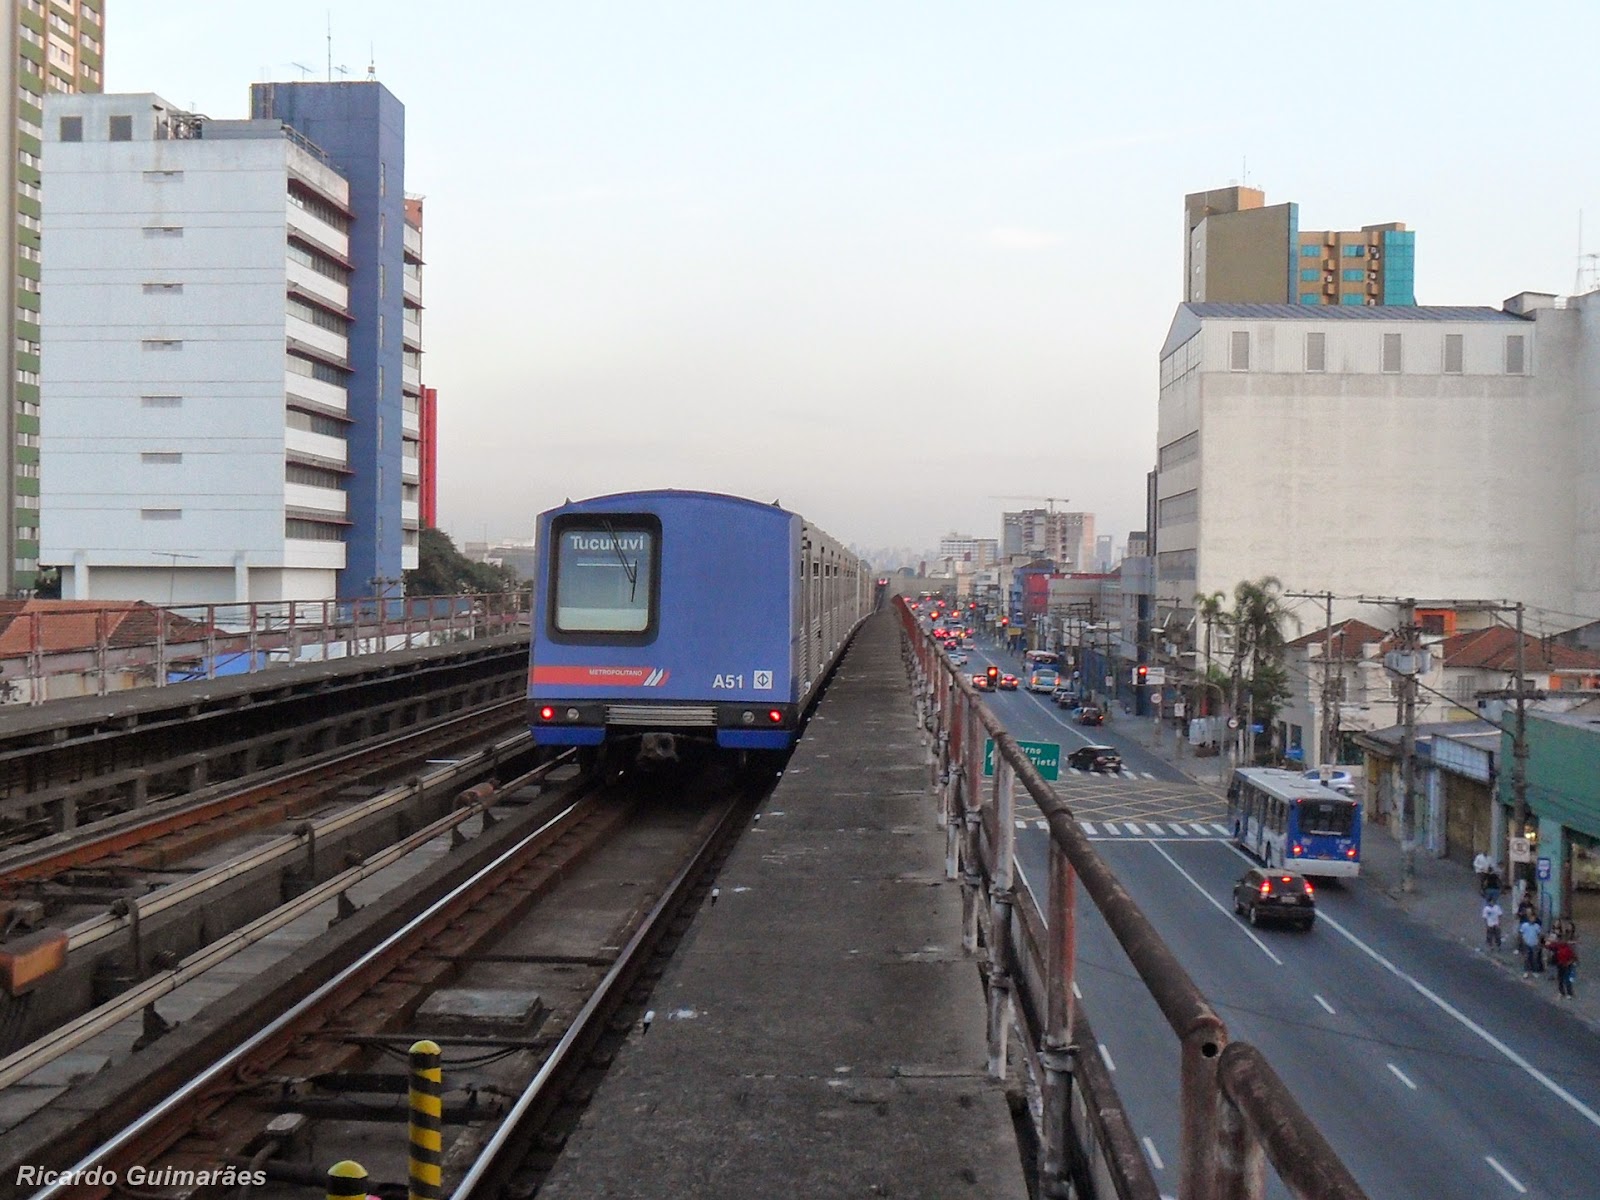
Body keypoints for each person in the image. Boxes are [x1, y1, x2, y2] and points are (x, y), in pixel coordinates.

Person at [1549, 927, 1578, 999]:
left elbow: (1573, 957)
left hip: (1567, 965)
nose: (1562, 941)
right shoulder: (1557, 947)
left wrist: (1569, 963)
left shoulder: (1568, 949)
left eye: (1563, 940)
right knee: (1560, 979)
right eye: (1561, 940)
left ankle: (1569, 993)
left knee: (1567, 979)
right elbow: (1549, 947)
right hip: (1560, 964)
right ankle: (1561, 992)